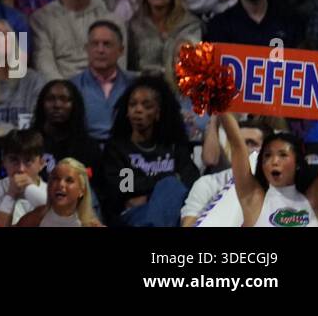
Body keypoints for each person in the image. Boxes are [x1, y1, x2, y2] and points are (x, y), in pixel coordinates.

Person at [98, 75, 200, 226]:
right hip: (132, 217)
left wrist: (151, 193)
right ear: (126, 111)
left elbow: (191, 181)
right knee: (170, 185)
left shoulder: (173, 146)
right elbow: (123, 189)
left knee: (170, 186)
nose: (138, 110)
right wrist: (165, 185)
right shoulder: (117, 148)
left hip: (171, 213)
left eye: (147, 106)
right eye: (133, 105)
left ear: (158, 113)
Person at [219, 111, 318, 227]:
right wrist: (220, 102)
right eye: (268, 155)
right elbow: (237, 145)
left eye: (283, 155)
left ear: (297, 163)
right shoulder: (253, 198)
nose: (274, 161)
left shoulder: (315, 198)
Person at [29, 0, 114, 79]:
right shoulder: (41, 19)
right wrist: (67, 93)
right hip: (60, 92)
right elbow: (44, 67)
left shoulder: (110, 21)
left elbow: (116, 70)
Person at [127, 0, 202, 81]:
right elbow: (131, 67)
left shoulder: (190, 25)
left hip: (180, 88)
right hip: (144, 86)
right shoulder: (134, 26)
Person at [70, 20, 136, 141]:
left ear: (121, 50)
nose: (100, 50)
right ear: (87, 49)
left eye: (107, 44)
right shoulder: (72, 87)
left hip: (126, 150)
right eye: (95, 44)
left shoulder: (135, 85)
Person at [0, 129, 48, 225]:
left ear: (41, 163)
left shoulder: (54, 194)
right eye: (14, 160)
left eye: (28, 161)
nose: (21, 169)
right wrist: (10, 196)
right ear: (4, 162)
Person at [15, 157, 101, 227]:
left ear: (81, 191)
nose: (61, 184)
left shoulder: (91, 225)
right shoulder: (35, 218)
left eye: (69, 180)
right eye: (56, 179)